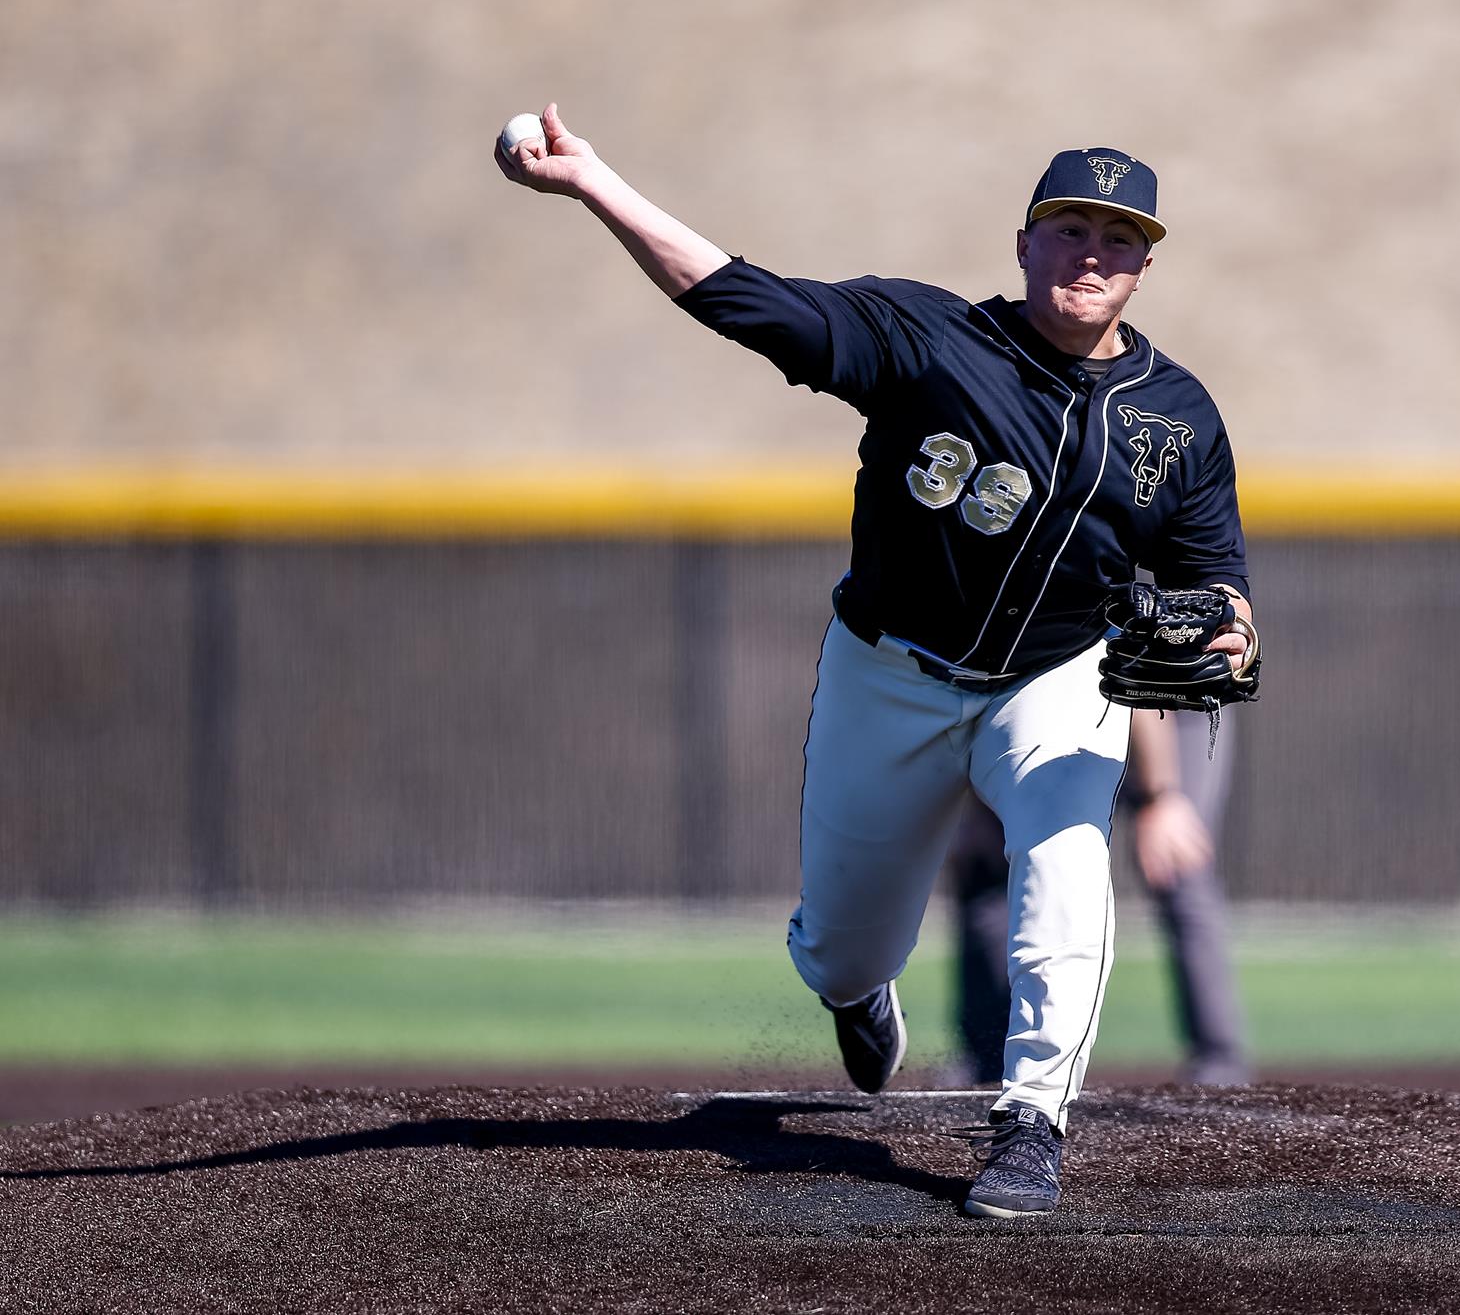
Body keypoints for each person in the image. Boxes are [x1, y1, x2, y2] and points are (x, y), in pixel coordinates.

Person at [496, 107, 1255, 1219]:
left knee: (1064, 862)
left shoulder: (1178, 420)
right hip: (887, 672)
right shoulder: (929, 340)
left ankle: (1031, 1122)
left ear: (1144, 265)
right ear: (1024, 242)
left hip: (1055, 679)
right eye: (1070, 229)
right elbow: (739, 297)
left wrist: (1229, 626)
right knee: (840, 947)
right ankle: (858, 993)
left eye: (1119, 238)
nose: (1092, 254)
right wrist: (596, 183)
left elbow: (1219, 580)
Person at [951, 706, 1249, 1087]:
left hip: (1170, 700)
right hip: (1067, 712)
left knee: (1179, 870)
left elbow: (1136, 689)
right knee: (986, 867)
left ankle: (1219, 1063)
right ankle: (988, 1059)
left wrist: (1161, 796)